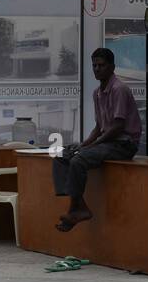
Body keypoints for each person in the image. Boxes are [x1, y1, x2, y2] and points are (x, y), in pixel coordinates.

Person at [52, 47, 142, 231]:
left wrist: (92, 145)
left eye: (101, 65)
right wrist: (83, 144)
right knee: (62, 155)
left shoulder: (119, 89)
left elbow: (117, 127)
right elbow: (99, 127)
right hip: (107, 142)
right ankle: (79, 206)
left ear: (112, 67)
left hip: (124, 144)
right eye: (94, 65)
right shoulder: (97, 93)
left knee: (79, 160)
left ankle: (75, 209)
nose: (97, 69)